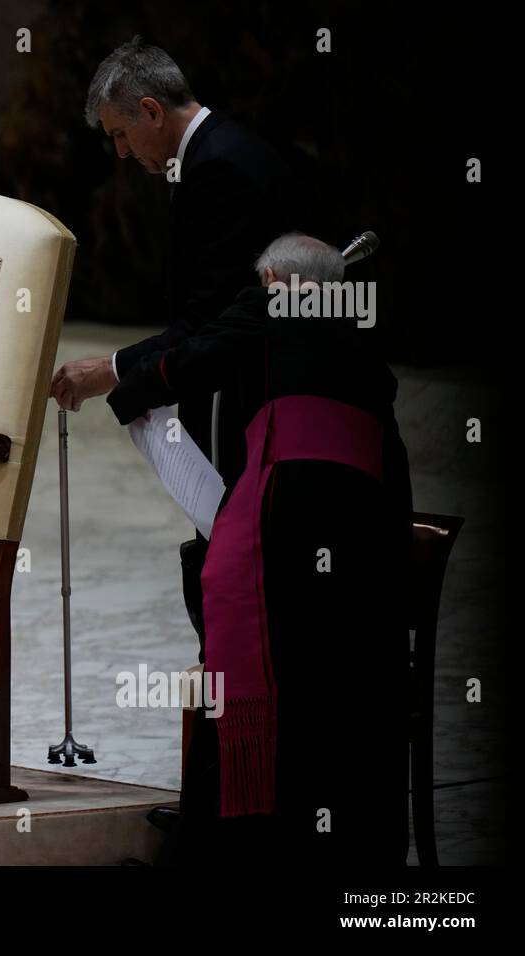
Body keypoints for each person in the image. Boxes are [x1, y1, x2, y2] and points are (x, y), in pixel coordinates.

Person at [107, 234, 412, 865]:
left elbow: (194, 357)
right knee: (337, 683)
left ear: (272, 277)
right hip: (370, 523)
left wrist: (127, 392)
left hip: (289, 506)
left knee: (255, 670)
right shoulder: (360, 339)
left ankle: (228, 843)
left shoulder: (267, 303)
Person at [51, 36, 304, 645]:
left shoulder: (216, 166)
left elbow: (212, 321)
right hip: (245, 379)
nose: (120, 151)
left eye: (120, 133)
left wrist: (112, 369)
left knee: (236, 555)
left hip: (245, 393)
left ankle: (238, 709)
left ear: (152, 111)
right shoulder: (226, 150)